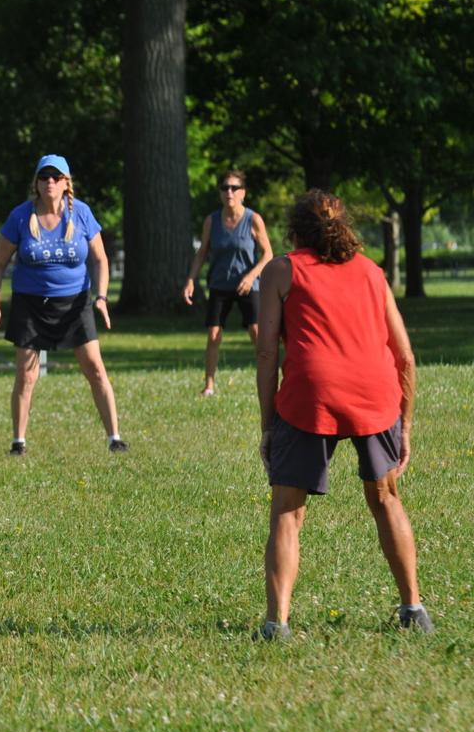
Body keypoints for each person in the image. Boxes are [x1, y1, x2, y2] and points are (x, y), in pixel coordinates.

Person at [255, 189, 432, 640]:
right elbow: (406, 357)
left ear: (295, 230)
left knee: (287, 510)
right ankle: (414, 610)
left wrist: (268, 425)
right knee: (386, 498)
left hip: (310, 393)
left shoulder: (281, 270)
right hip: (375, 392)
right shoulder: (372, 272)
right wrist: (405, 425)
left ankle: (277, 624)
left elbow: (266, 352)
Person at [0, 154, 126, 455]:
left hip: (75, 302)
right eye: (44, 176)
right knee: (26, 374)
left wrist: (101, 297)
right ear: (36, 183)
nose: (50, 181)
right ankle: (18, 443)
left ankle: (115, 438)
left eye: (56, 177)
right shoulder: (21, 216)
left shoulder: (81, 213)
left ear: (66, 183)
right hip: (30, 304)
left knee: (95, 368)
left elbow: (100, 259)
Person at [182, 170, 273, 396]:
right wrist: (191, 279)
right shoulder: (211, 221)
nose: (229, 192)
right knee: (213, 334)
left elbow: (268, 254)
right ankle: (209, 385)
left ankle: (270, 380)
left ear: (243, 193)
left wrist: (251, 277)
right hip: (219, 284)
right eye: (225, 188)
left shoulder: (253, 219)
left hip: (248, 285)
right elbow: (202, 252)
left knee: (256, 333)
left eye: (234, 188)